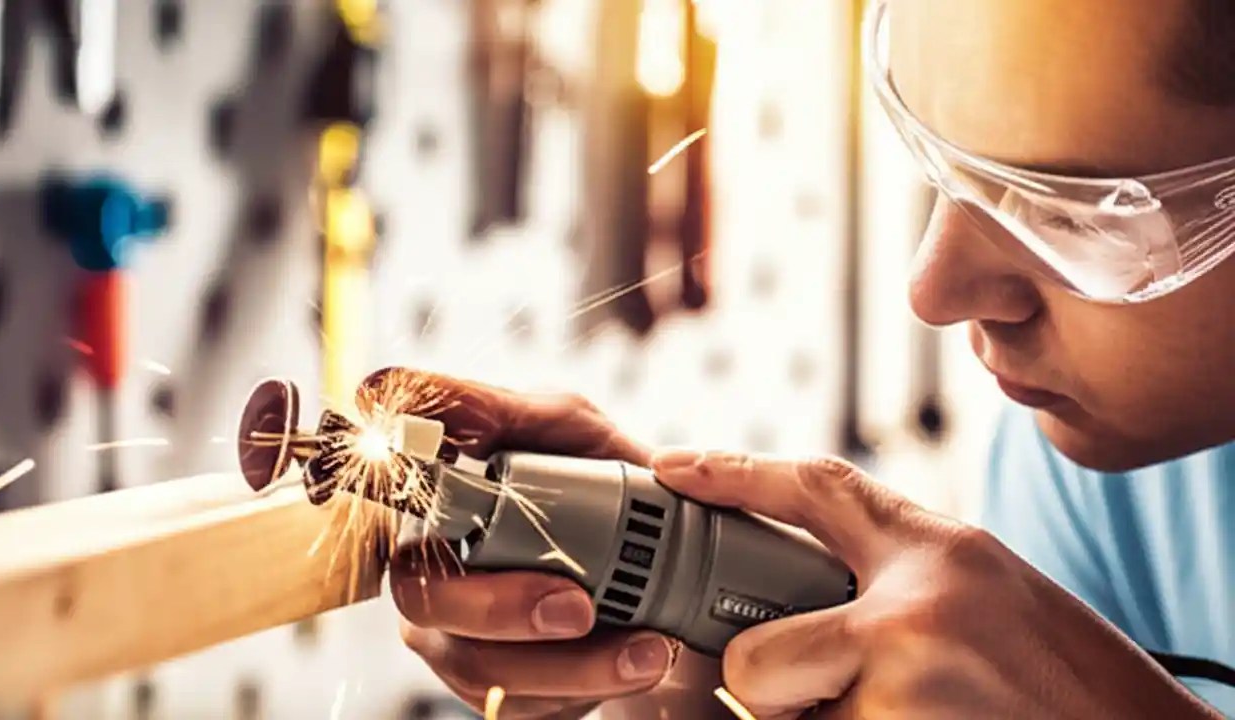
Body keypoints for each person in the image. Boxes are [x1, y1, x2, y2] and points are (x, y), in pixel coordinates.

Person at [380, 0, 1235, 716]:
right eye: (947, 171)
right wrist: (702, 642)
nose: (932, 291)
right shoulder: (1097, 475)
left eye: (1069, 218)